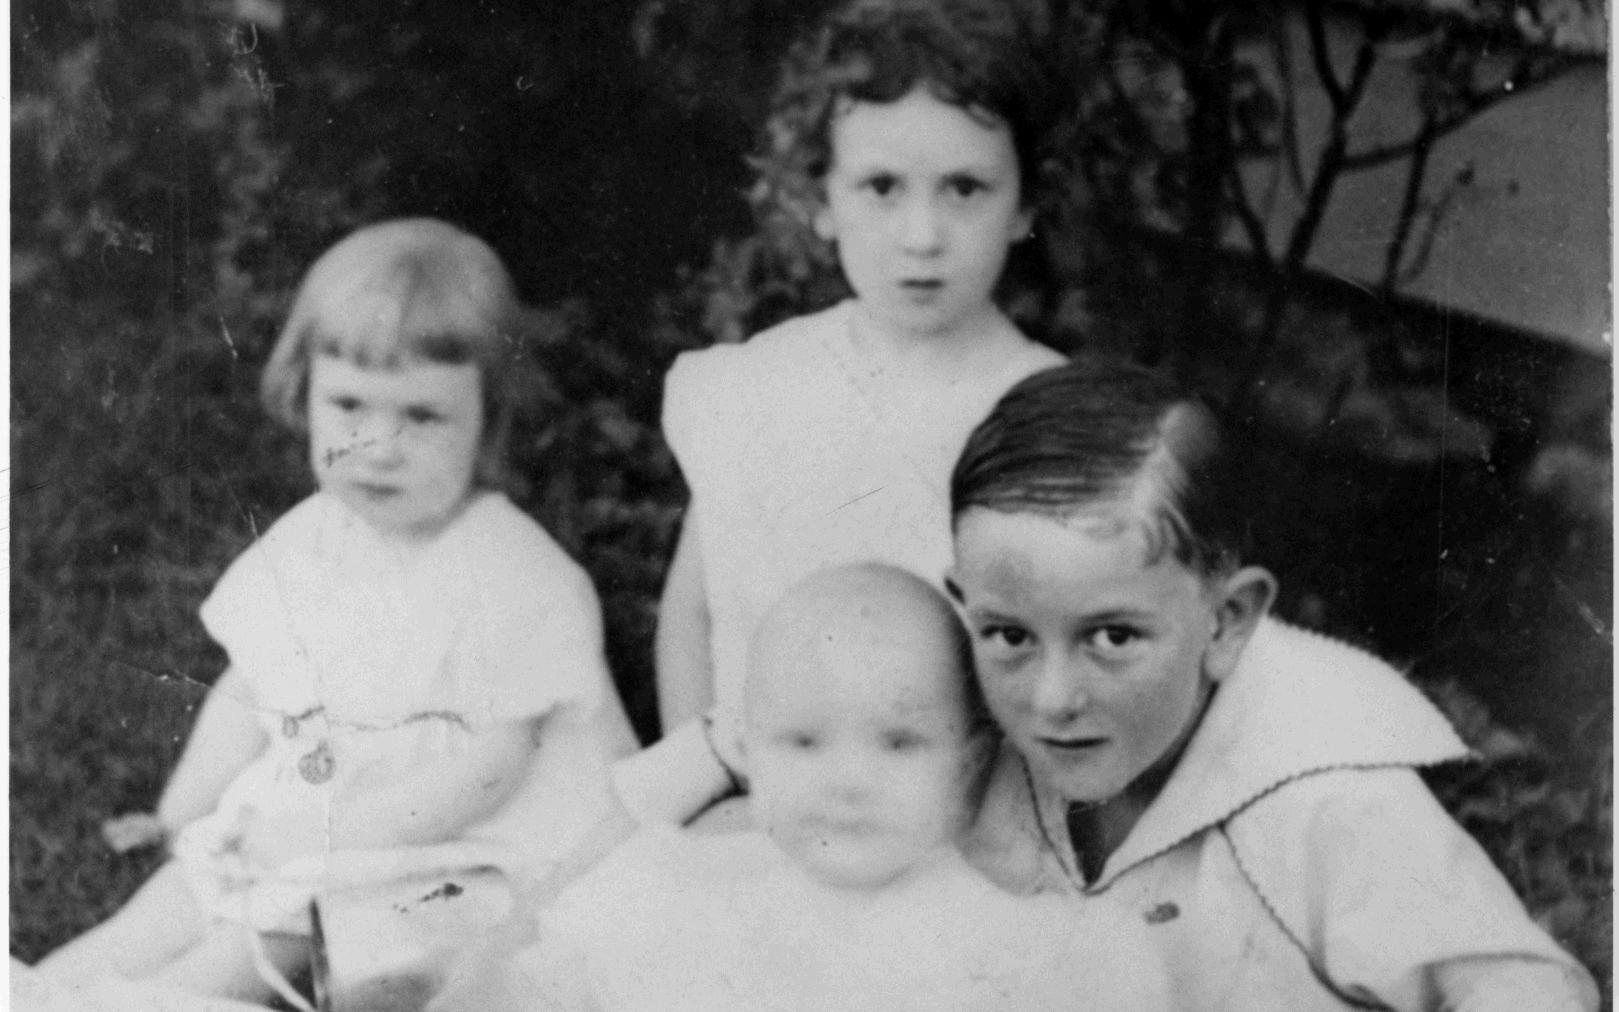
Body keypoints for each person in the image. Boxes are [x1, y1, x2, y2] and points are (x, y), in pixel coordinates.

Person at [36, 219, 636, 1005]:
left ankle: (154, 1000)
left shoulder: (514, 573)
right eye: (350, 405)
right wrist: (183, 808)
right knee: (183, 891)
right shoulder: (311, 541)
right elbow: (250, 688)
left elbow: (491, 769)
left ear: (488, 421)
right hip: (311, 819)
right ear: (304, 395)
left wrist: (340, 840)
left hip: (438, 848)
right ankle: (50, 986)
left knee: (269, 931)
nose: (379, 445)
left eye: (421, 417)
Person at [944, 359, 1599, 1011]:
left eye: (1112, 637)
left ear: (1227, 621)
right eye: (1007, 636)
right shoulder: (956, 749)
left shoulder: (1323, 797)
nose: (1051, 699)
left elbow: (1529, 994)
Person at [619, 0, 1067, 821]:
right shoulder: (760, 386)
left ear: (1026, 205)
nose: (922, 235)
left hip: (951, 834)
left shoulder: (1047, 416)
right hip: (747, 819)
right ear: (817, 196)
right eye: (881, 188)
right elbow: (695, 610)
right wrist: (705, 795)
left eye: (965, 188)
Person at [435, 565, 1170, 1011]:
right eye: (803, 742)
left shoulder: (1004, 932)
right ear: (749, 752)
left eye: (899, 742)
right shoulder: (690, 886)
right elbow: (515, 983)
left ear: (971, 762)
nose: (847, 783)